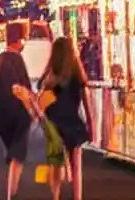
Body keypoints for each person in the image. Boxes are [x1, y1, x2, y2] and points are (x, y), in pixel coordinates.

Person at [39, 37, 94, 200]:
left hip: (54, 124)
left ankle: (56, 196)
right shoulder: (78, 75)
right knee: (77, 164)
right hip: (73, 123)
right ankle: (77, 197)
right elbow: (87, 102)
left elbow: (42, 101)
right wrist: (91, 123)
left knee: (56, 164)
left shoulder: (51, 77)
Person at [0, 23, 33, 200]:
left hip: (0, 115)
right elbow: (25, 89)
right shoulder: (17, 60)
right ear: (19, 39)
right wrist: (33, 110)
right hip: (18, 114)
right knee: (18, 156)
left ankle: (11, 189)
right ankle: (11, 193)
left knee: (13, 153)